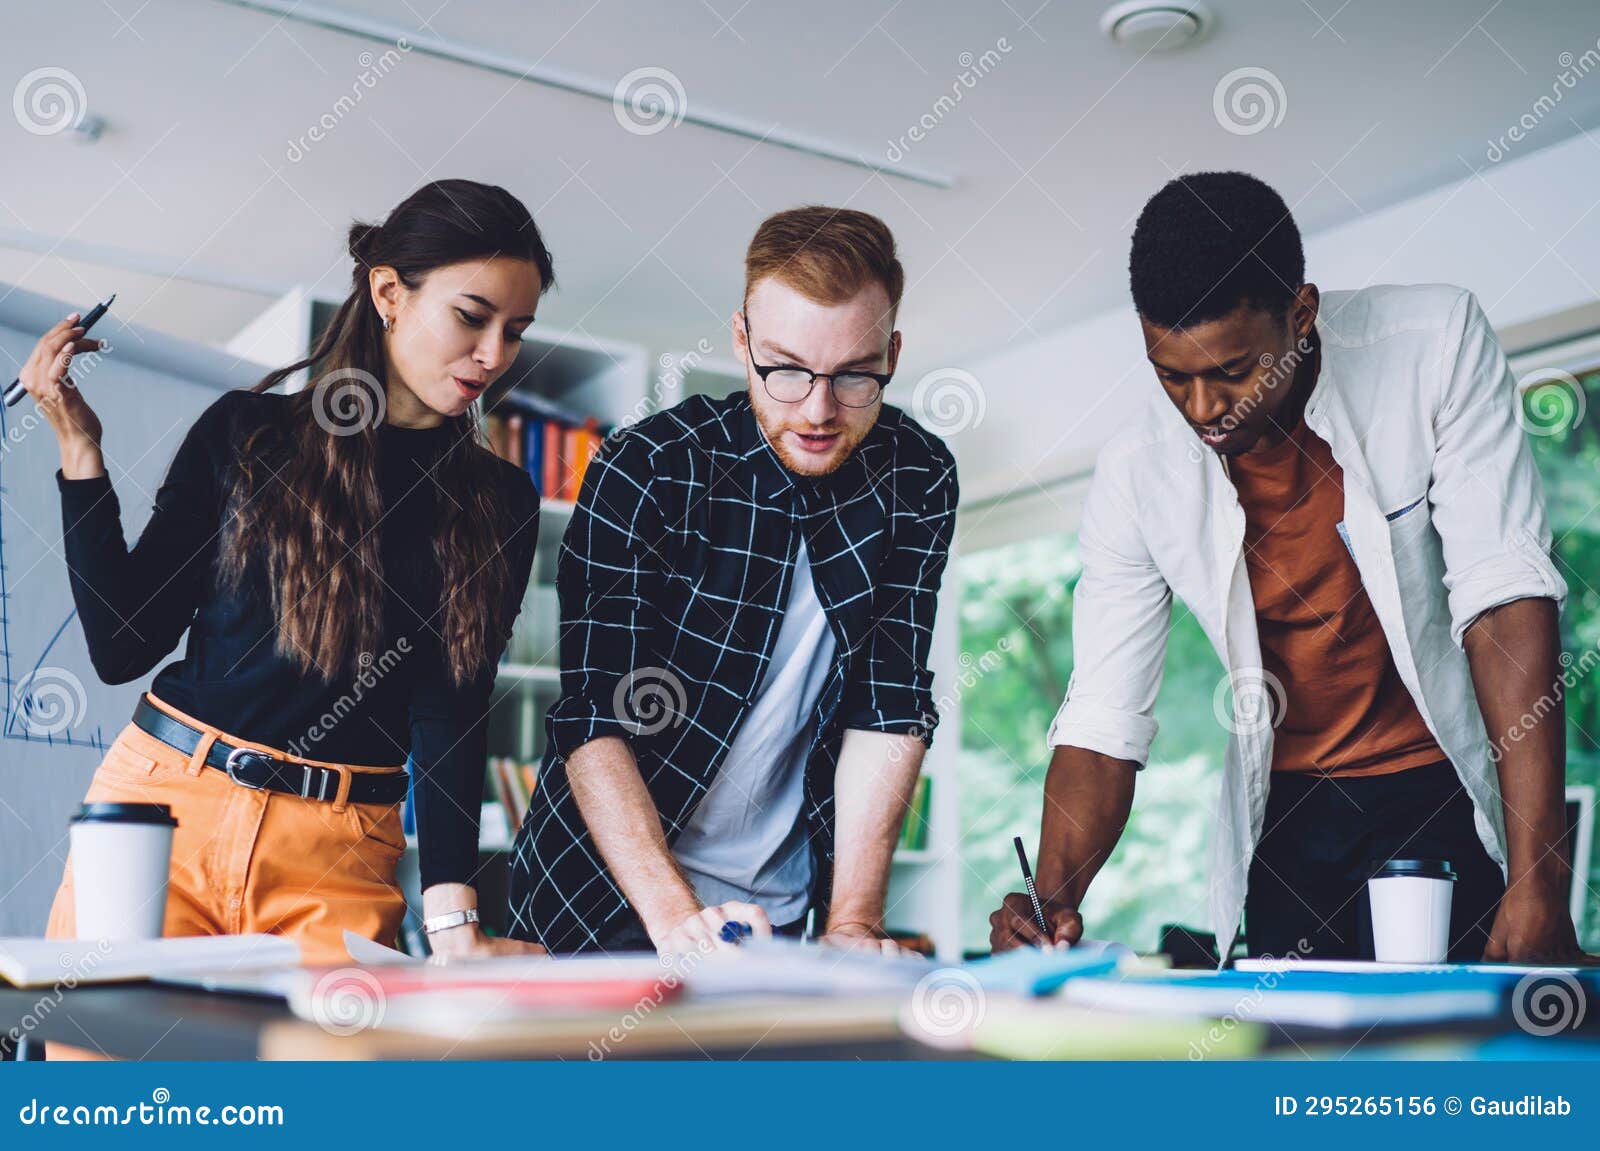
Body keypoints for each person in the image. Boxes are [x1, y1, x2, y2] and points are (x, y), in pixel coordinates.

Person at [991, 171, 1594, 965]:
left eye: (1234, 370)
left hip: (1439, 788)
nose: (1204, 407)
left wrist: (1540, 877)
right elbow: (1103, 717)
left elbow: (1502, 593)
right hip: (1288, 815)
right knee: (1294, 1070)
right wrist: (1054, 893)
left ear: (1300, 314)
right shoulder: (1137, 473)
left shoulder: (1431, 343)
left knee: (1465, 1056)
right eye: (1173, 375)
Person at [23, 180, 551, 991]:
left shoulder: (500, 502)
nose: (494, 354)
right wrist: (79, 452)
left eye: (515, 331)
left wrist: (453, 923)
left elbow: (451, 706)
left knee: (313, 1104)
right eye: (472, 317)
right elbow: (123, 642)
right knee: (103, 1100)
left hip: (338, 856)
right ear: (388, 292)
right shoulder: (247, 433)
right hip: (164, 814)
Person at [507, 206, 958, 955]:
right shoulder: (646, 466)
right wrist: (676, 920)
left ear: (893, 353)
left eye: (853, 375)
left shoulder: (917, 476)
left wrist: (852, 921)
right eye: (785, 368)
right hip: (604, 895)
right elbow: (594, 716)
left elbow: (890, 703)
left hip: (778, 911)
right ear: (742, 340)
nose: (817, 409)